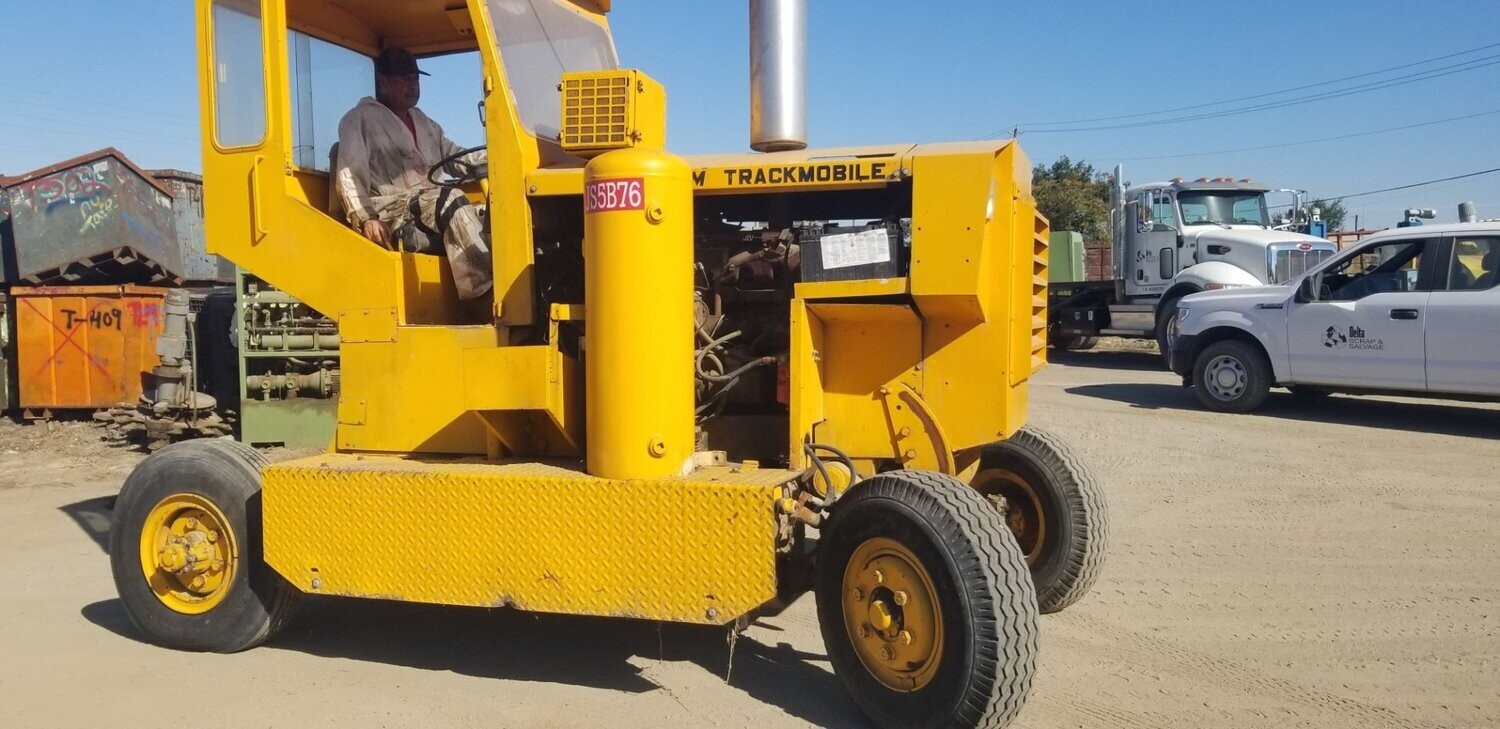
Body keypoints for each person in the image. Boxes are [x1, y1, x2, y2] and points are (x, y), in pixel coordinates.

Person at [334, 47, 493, 300]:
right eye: (405, 79)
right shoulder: (359, 118)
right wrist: (367, 218)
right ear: (383, 81)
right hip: (389, 208)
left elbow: (457, 158)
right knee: (449, 199)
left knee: (490, 213)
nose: (413, 85)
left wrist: (500, 158)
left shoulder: (424, 121)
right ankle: (484, 295)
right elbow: (349, 174)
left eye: (416, 79)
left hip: (428, 205)